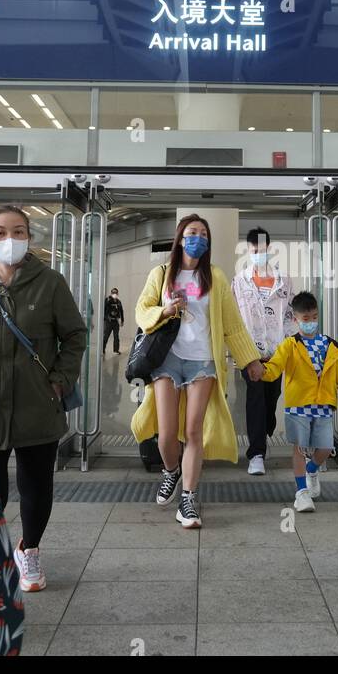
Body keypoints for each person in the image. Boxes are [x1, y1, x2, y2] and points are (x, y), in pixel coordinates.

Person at [0, 205, 87, 592]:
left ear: (29, 238)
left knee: (36, 488)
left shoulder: (50, 283)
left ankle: (29, 549)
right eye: (0, 233)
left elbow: (75, 335)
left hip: (38, 404)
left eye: (18, 232)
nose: (9, 240)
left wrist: (61, 380)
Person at [130, 214, 264, 528]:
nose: (198, 238)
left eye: (203, 233)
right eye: (192, 232)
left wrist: (250, 360)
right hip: (167, 361)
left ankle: (188, 498)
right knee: (165, 435)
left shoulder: (215, 277)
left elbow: (232, 325)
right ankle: (171, 470)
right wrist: (164, 310)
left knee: (193, 432)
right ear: (180, 238)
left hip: (203, 362)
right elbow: (141, 309)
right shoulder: (162, 273)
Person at [260, 291, 338, 513]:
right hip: (298, 406)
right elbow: (275, 367)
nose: (311, 322)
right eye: (306, 319)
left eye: (314, 317)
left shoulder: (329, 345)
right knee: (300, 448)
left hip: (323, 405)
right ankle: (301, 493)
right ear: (295, 320)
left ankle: (312, 469)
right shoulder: (289, 345)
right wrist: (261, 372)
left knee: (325, 447)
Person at [231, 226, 296, 476]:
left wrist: (292, 346)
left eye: (263, 249)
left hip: (277, 354)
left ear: (270, 249)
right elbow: (235, 317)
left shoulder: (284, 281)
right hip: (250, 353)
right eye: (254, 250)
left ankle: (265, 433)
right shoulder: (240, 281)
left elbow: (290, 316)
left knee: (271, 400)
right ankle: (256, 453)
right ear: (248, 251)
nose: (259, 253)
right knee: (255, 400)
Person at [103, 287, 125, 354]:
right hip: (109, 321)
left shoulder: (118, 302)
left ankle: (116, 350)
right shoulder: (108, 300)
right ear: (111, 293)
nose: (114, 294)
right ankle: (102, 349)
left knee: (116, 336)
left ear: (117, 293)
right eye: (113, 293)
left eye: (115, 292)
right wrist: (105, 318)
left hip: (115, 321)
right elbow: (104, 309)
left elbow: (121, 311)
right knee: (106, 336)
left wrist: (122, 320)